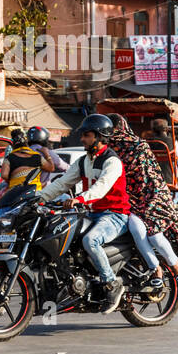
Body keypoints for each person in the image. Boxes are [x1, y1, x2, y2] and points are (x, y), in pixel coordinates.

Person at [39, 114, 130, 313]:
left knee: (91, 241)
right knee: (61, 238)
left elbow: (102, 187)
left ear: (100, 137)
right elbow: (62, 183)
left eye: (87, 135)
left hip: (114, 215)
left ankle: (111, 284)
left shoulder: (112, 161)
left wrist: (80, 199)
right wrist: (40, 198)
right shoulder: (83, 161)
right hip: (91, 213)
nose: (82, 139)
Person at [107, 114, 178, 287]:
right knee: (136, 229)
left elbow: (150, 177)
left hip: (153, 195)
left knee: (154, 235)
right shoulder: (106, 149)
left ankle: (176, 266)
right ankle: (155, 268)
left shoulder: (140, 145)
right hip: (128, 199)